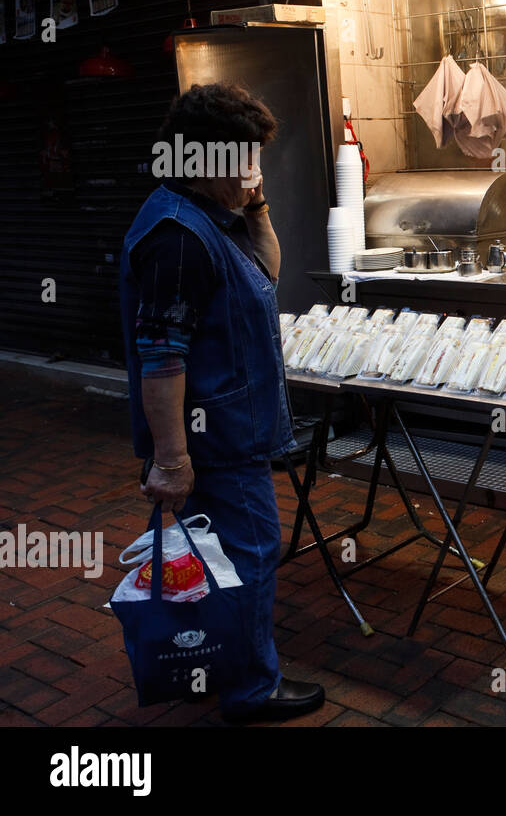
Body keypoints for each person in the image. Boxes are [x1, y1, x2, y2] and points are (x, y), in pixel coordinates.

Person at [119, 83, 324, 724]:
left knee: (225, 554)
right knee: (252, 551)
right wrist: (173, 461)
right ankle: (250, 688)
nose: (253, 171)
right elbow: (161, 359)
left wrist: (257, 203)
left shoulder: (213, 216)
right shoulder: (178, 237)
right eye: (244, 159)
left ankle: (216, 664)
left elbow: (267, 271)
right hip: (217, 437)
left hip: (231, 425)